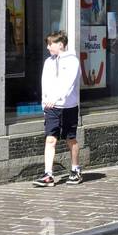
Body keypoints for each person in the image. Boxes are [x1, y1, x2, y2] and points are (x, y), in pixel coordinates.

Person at [34, 31, 83, 187]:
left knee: (70, 138)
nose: (48, 47)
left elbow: (69, 83)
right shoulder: (48, 62)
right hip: (51, 107)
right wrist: (45, 103)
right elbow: (45, 83)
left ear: (60, 44)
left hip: (68, 107)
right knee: (50, 139)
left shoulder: (72, 61)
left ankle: (75, 169)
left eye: (51, 44)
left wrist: (58, 97)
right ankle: (48, 174)